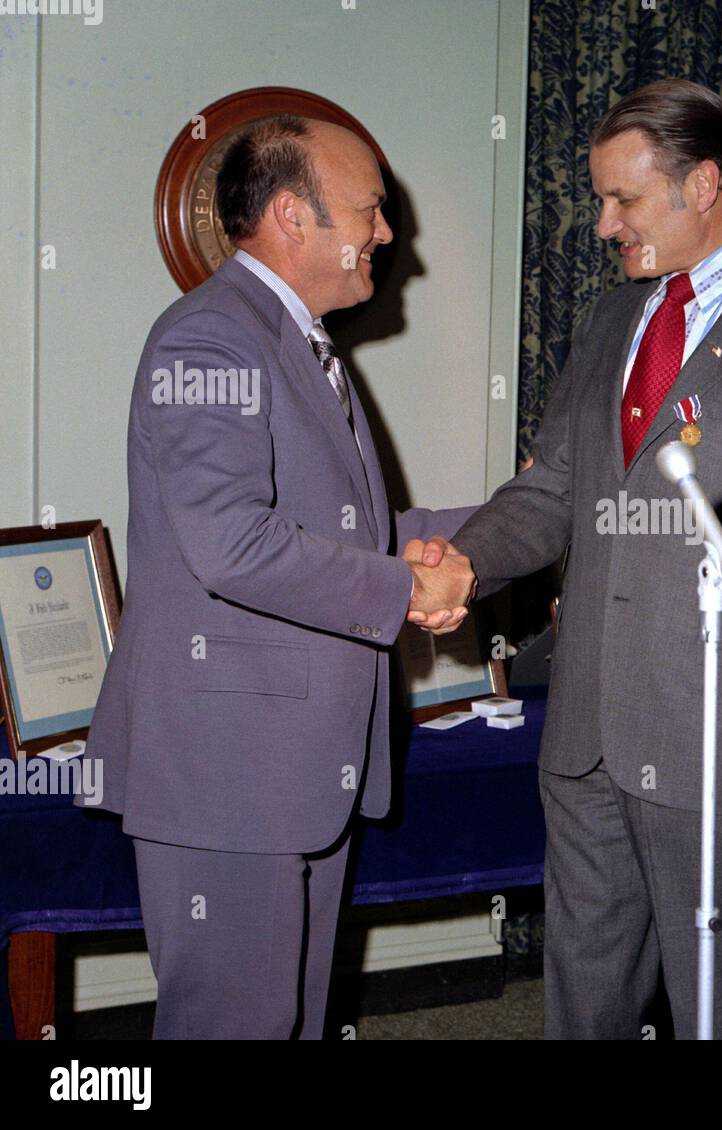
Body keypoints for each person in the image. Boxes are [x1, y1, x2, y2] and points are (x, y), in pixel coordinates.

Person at [416, 79, 722, 1038]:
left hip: (720, 733)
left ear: (705, 183)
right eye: (601, 200)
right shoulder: (612, 320)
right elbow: (555, 485)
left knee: (718, 1004)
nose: (603, 224)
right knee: (584, 997)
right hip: (588, 724)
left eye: (623, 200)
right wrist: (466, 567)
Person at [79, 115, 473, 1038]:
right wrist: (406, 591)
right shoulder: (208, 341)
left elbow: (357, 534)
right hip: (230, 775)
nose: (386, 232)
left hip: (285, 774)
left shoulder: (294, 341)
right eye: (371, 210)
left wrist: (516, 525)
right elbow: (232, 543)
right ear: (294, 217)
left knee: (281, 1024)